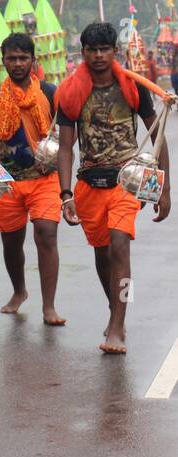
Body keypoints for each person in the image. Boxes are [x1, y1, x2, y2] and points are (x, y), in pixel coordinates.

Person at [57, 22, 170, 355]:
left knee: (120, 245)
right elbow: (65, 147)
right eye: (91, 50)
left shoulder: (133, 88)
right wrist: (65, 195)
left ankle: (118, 327)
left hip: (127, 179)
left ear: (115, 52)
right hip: (89, 183)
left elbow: (158, 135)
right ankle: (115, 309)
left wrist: (164, 189)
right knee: (102, 254)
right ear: (83, 53)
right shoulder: (71, 91)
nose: (98, 56)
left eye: (104, 49)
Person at [0, 33, 65, 325]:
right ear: (2, 60)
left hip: (45, 179)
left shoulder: (50, 93)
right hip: (9, 183)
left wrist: (58, 160)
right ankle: (19, 291)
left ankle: (49, 307)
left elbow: (66, 134)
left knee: (46, 235)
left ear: (33, 60)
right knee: (11, 244)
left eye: (23, 58)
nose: (17, 64)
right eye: (12, 58)